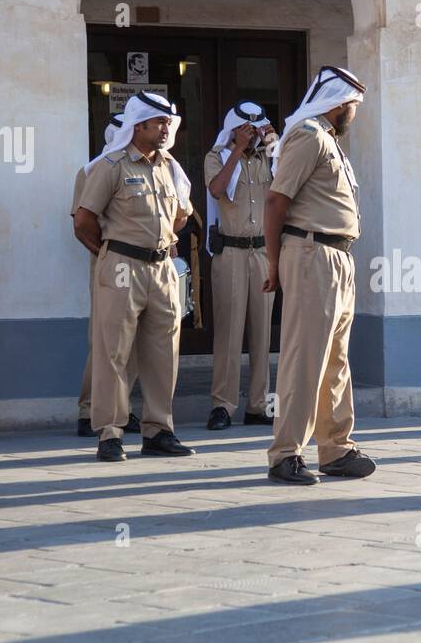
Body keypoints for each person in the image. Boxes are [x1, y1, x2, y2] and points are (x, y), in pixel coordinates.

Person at [264, 67, 376, 485]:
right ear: (339, 103)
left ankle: (335, 448)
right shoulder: (309, 135)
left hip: (336, 256)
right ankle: (286, 453)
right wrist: (275, 263)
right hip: (311, 253)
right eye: (353, 106)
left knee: (336, 361)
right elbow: (277, 201)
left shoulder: (328, 141)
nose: (354, 114)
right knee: (304, 359)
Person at [74, 91, 195, 462]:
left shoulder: (169, 166)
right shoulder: (111, 166)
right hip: (122, 266)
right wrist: (110, 254)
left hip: (161, 268)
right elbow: (83, 222)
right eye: (158, 123)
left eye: (168, 123)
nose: (165, 129)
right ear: (138, 125)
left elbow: (181, 214)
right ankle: (109, 433)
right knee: (114, 351)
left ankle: (159, 430)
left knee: (163, 353)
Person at [205, 102, 277, 432]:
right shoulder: (216, 157)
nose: (252, 134)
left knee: (262, 333)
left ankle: (259, 404)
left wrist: (274, 145)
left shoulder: (270, 159)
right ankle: (223, 404)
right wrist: (237, 150)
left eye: (256, 128)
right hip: (231, 251)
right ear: (232, 129)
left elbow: (288, 184)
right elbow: (217, 189)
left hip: (262, 251)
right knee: (229, 332)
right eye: (245, 129)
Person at [74, 112, 140, 438]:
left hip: (143, 266)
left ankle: (122, 407)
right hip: (110, 261)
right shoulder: (91, 171)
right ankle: (89, 410)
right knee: (104, 340)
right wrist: (107, 253)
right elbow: (82, 222)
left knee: (136, 340)